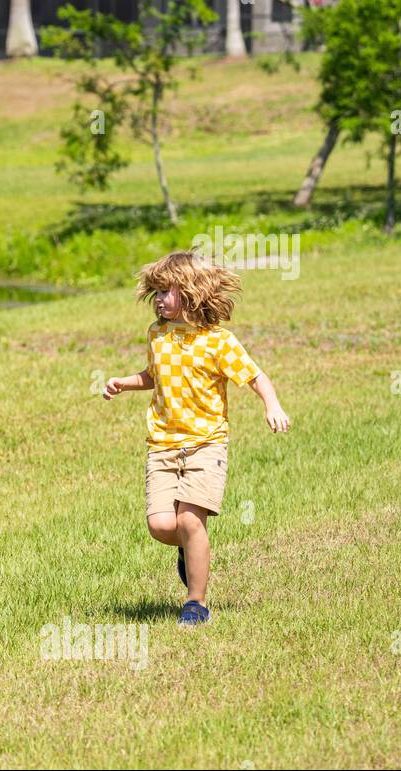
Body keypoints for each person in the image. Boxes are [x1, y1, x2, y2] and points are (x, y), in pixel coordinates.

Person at [103, 251, 289, 626]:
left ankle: (196, 603)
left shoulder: (219, 342)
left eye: (165, 291)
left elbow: (255, 376)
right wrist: (126, 382)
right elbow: (154, 376)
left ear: (191, 292)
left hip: (206, 443)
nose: (157, 299)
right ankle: (192, 549)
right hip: (162, 445)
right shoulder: (157, 334)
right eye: (154, 291)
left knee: (190, 519)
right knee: (160, 526)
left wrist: (271, 404)